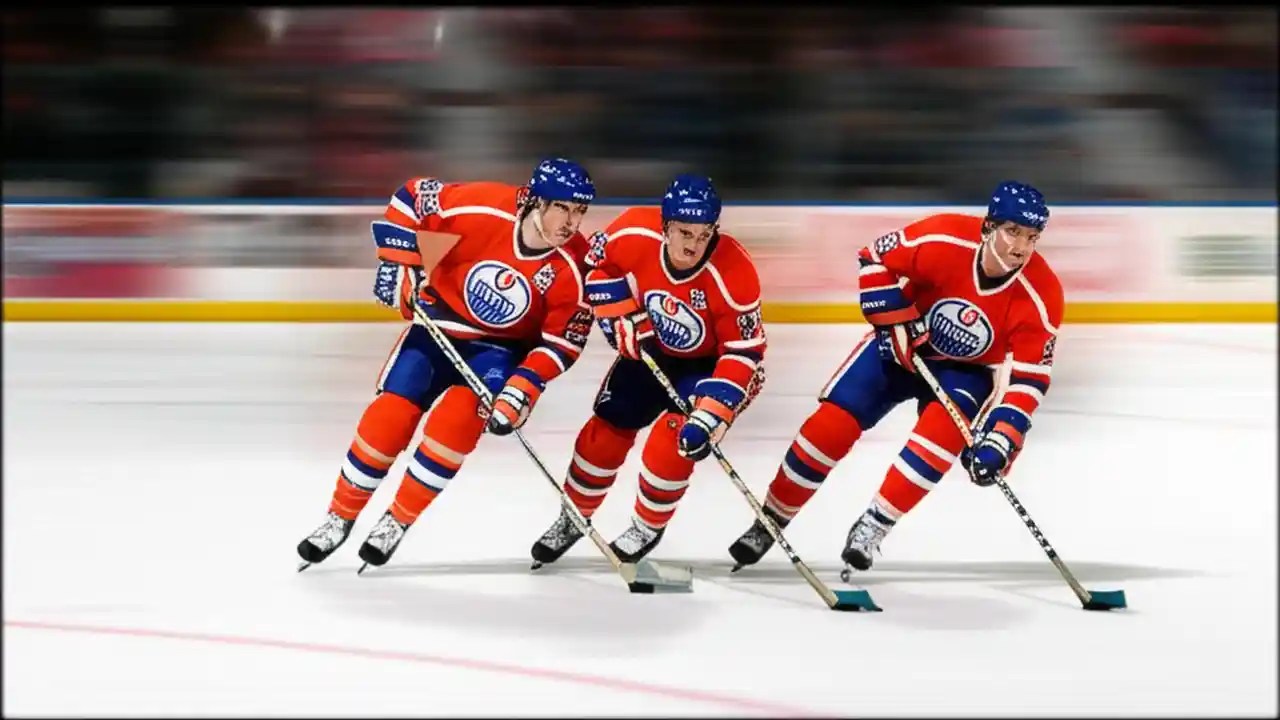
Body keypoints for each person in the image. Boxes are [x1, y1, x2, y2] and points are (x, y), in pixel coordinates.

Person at [726, 180, 1063, 575]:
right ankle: (770, 520)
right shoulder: (943, 237)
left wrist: (1002, 442)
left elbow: (1029, 382)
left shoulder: (1042, 296)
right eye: (1012, 232)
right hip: (899, 350)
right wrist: (894, 320)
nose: (1020, 247)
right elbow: (873, 259)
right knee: (829, 428)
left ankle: (874, 525)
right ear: (989, 227)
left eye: (1031, 237)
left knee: (939, 441)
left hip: (966, 371)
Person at [296, 158, 598, 570]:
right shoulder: (482, 207)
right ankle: (340, 515)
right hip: (437, 326)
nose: (572, 221)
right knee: (388, 418)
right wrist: (397, 263)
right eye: (562, 207)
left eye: (580, 210)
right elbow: (411, 196)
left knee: (455, 426)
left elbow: (561, 344)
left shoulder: (576, 267)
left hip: (500, 351)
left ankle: (396, 520)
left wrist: (522, 388)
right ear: (535, 200)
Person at [527, 174, 768, 566]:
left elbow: (744, 354)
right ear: (664, 227)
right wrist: (616, 315)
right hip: (650, 349)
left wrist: (712, 413)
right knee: (603, 434)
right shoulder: (631, 230)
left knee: (672, 443)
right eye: (684, 233)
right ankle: (573, 516)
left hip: (709, 366)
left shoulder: (735, 272)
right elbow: (595, 269)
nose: (693, 245)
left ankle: (647, 526)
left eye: (704, 234)